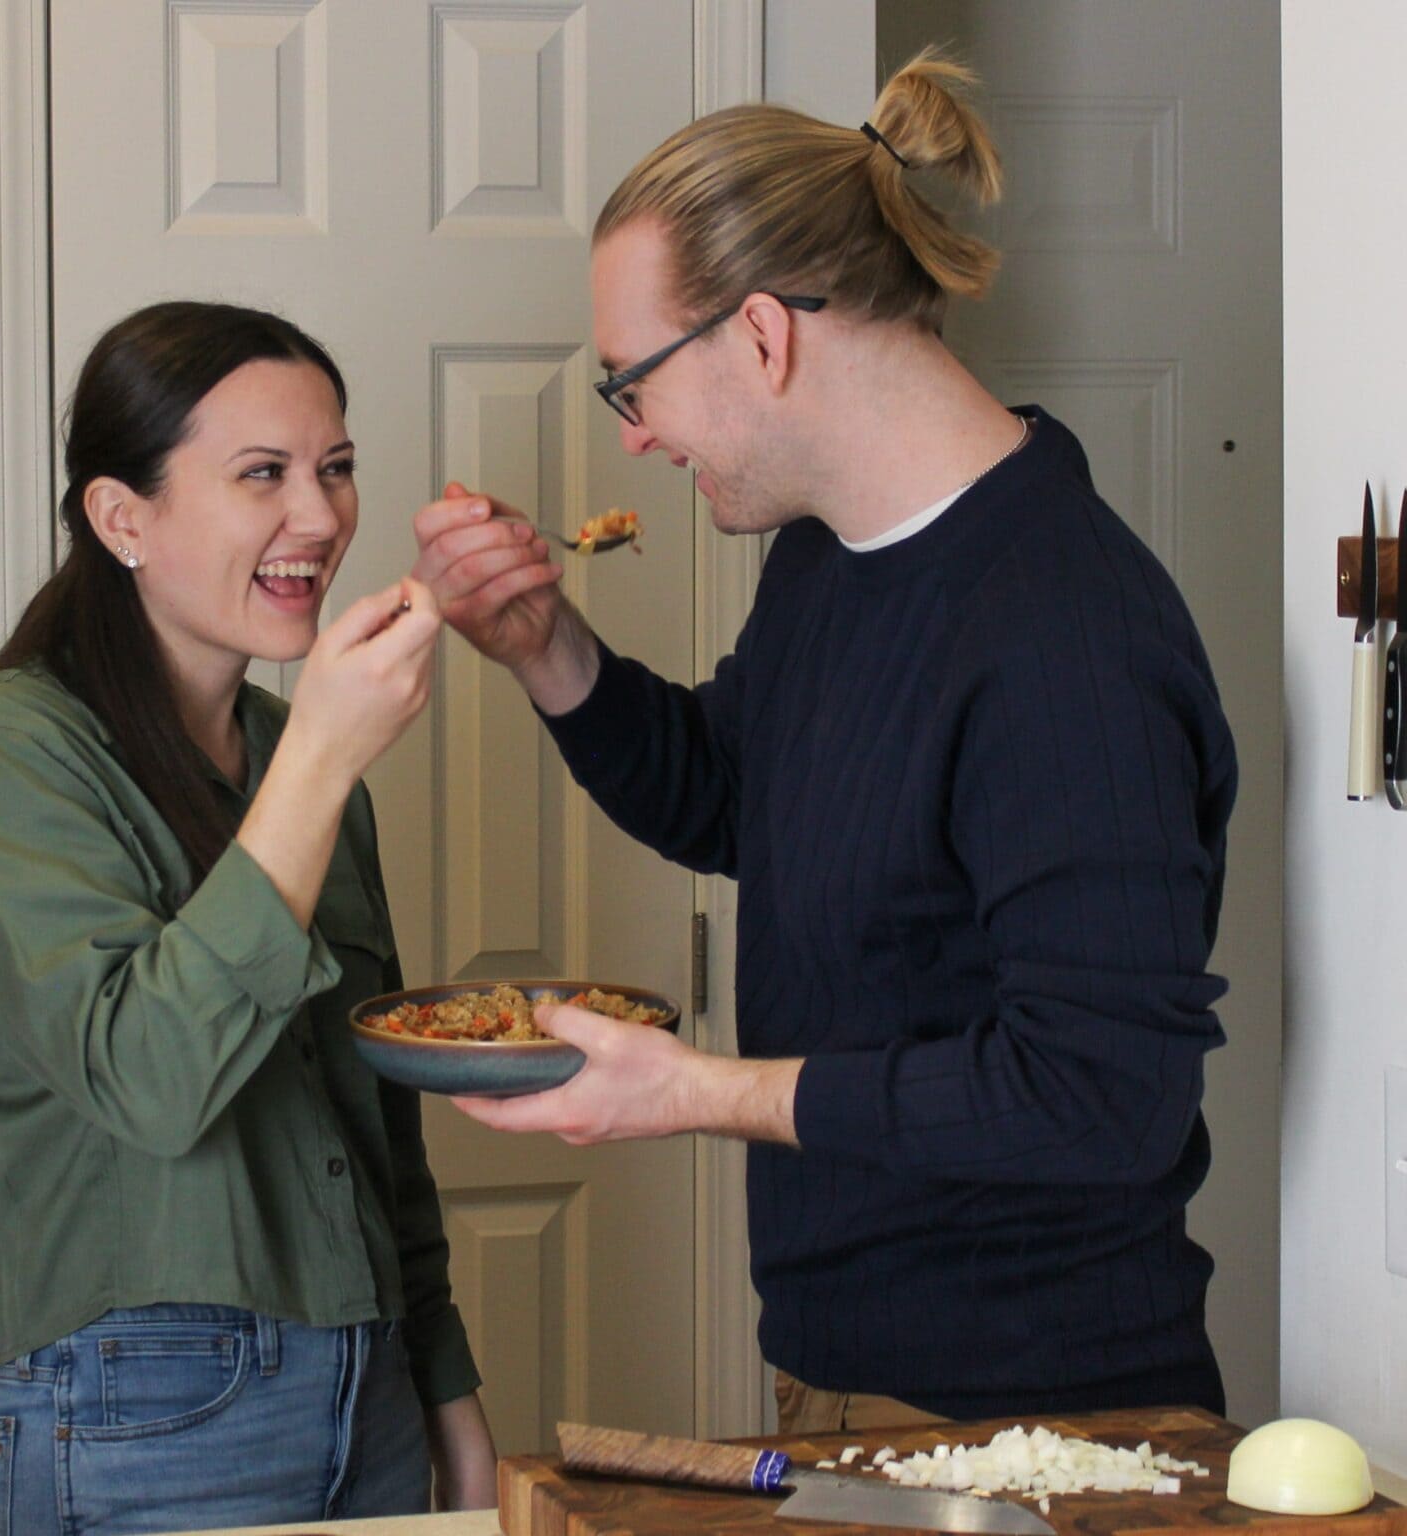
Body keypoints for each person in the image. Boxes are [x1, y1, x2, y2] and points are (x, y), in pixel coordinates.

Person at [412, 51, 1238, 1432]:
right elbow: (737, 799)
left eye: (632, 386)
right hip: (852, 1378)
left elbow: (1099, 1095)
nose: (634, 440)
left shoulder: (1064, 635)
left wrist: (700, 1092)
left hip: (1040, 1416)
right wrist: (542, 645)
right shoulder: (829, 557)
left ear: (761, 335)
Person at [0, 301, 496, 1533]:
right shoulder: (2, 750)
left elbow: (379, 1120)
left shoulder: (298, 750)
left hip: (372, 1392)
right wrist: (321, 761)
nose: (320, 517)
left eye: (335, 469)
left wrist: (446, 1388)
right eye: (263, 474)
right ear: (122, 518)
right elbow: (150, 1079)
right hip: (147, 1410)